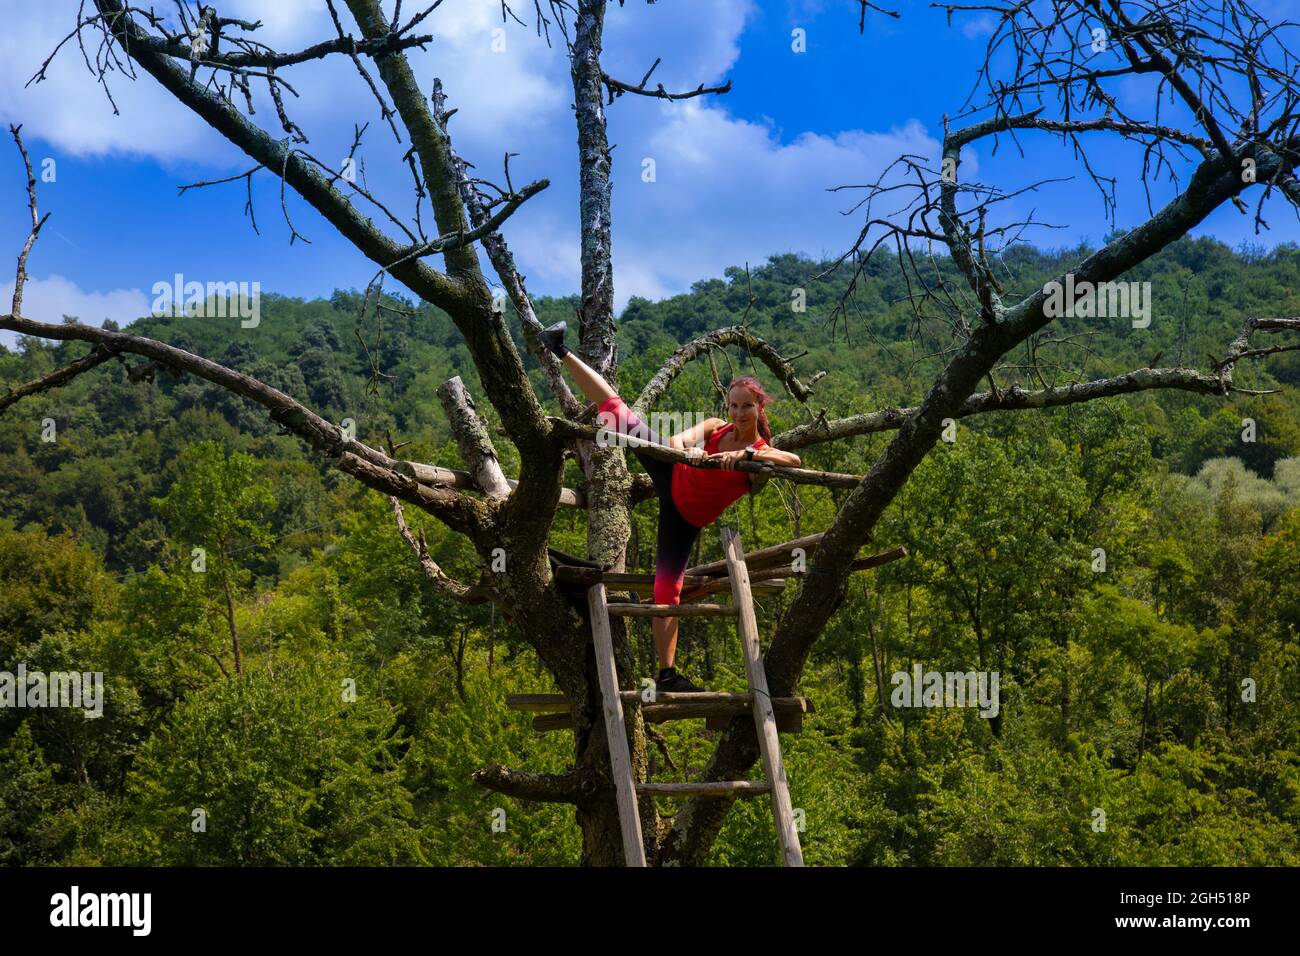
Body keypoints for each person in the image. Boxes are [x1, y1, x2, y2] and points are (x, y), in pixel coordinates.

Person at [539, 320, 803, 693]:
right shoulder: (715, 427)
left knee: (667, 590)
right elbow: (677, 441)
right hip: (672, 472)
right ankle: (559, 348)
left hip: (685, 519)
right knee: (616, 410)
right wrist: (691, 450)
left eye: (747, 406)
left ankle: (667, 676)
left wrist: (744, 455)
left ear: (759, 407)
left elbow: (792, 460)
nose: (739, 413)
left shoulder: (761, 452)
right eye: (734, 405)